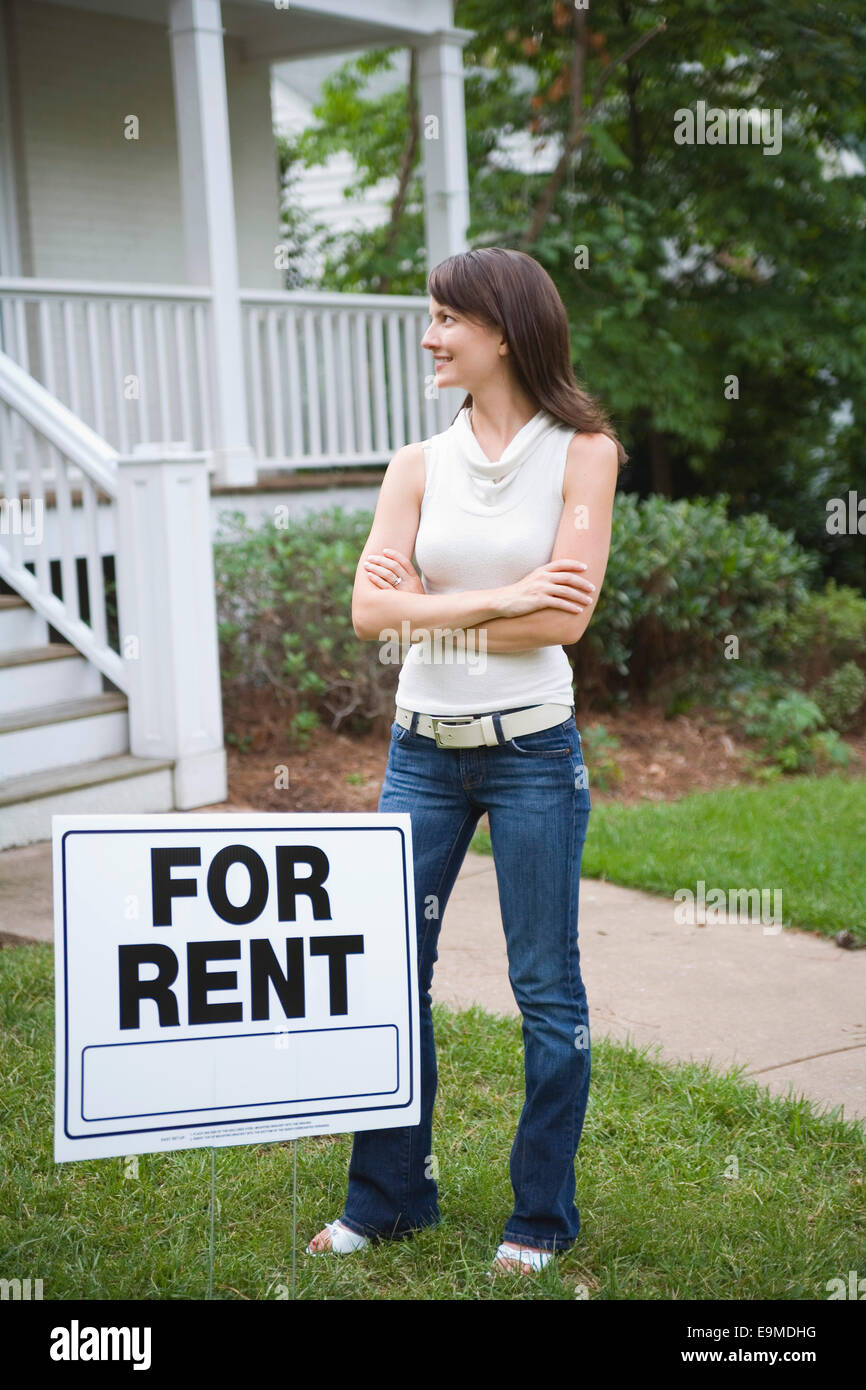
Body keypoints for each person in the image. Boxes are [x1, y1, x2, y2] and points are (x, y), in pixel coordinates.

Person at [307, 246, 625, 1276]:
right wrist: (497, 599)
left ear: (503, 328)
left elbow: (565, 616)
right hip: (419, 757)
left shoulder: (583, 453)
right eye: (431, 315)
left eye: (447, 318)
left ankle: (538, 1215)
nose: (429, 335)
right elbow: (367, 615)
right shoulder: (415, 464)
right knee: (390, 977)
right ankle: (389, 1197)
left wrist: (427, 611)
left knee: (545, 989)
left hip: (532, 753)